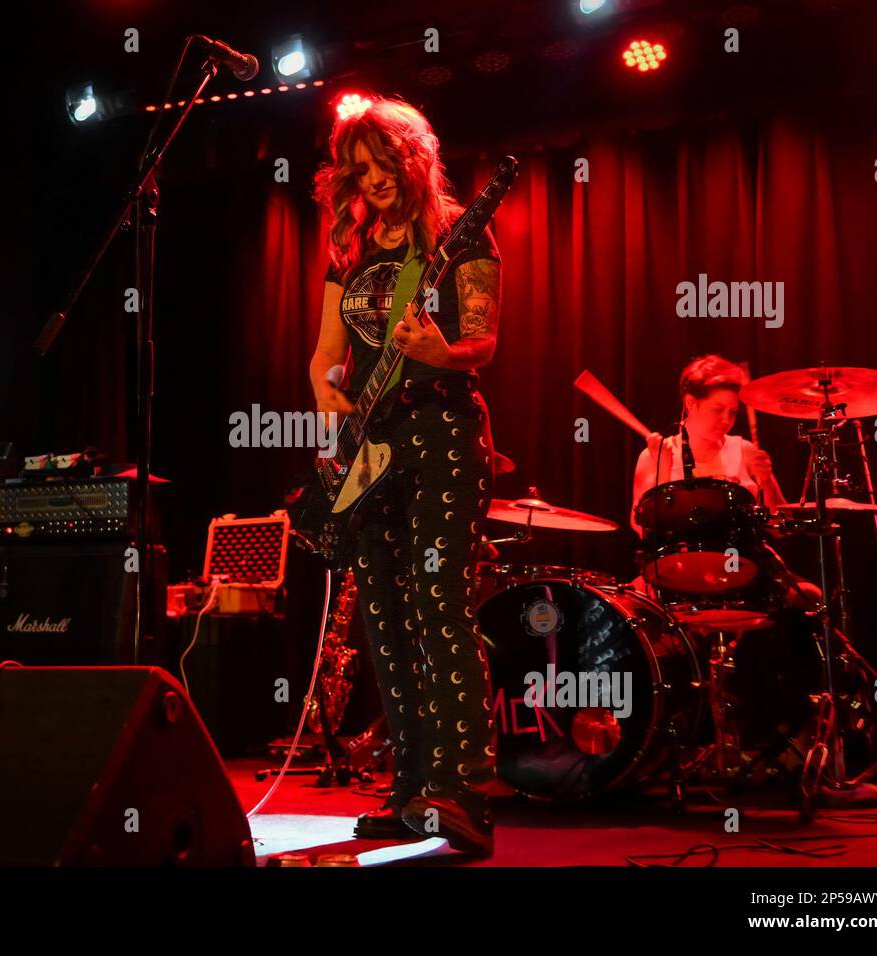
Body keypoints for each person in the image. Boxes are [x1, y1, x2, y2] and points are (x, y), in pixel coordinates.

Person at [310, 97, 502, 855]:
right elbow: (327, 353)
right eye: (357, 169)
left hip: (443, 431)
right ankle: (411, 789)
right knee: (382, 617)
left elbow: (482, 343)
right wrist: (328, 399)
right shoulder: (351, 246)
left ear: (410, 157)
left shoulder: (462, 235)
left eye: (380, 164)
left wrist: (438, 354)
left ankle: (465, 789)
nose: (370, 180)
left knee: (437, 603)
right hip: (371, 446)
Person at [631, 353, 819, 606]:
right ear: (690, 402)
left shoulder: (745, 450)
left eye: (732, 412)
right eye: (717, 409)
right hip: (678, 569)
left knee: (810, 597)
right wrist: (662, 469)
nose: (726, 420)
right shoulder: (656, 454)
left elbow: (779, 528)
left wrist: (767, 481)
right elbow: (641, 528)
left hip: (741, 568)